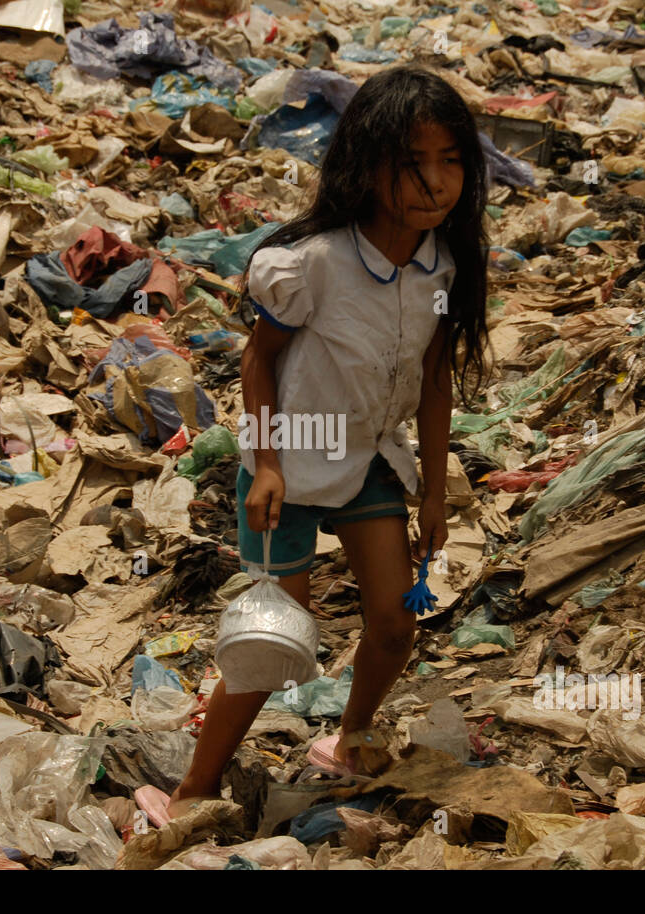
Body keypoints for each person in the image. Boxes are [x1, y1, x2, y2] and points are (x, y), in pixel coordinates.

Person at [139, 65, 490, 824]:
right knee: (275, 643)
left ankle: (349, 738)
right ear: (369, 167)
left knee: (396, 623)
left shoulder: (441, 267)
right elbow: (259, 359)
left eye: (450, 161)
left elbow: (433, 382)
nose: (435, 185)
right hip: (288, 464)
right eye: (412, 164)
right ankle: (192, 791)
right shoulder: (316, 263)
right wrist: (265, 463)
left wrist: (434, 490)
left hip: (367, 457)